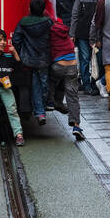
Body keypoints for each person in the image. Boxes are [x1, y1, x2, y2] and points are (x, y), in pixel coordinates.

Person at [12, 0, 53, 125]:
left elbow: (16, 40)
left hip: (28, 59)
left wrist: (21, 53)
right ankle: (44, 106)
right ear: (43, 9)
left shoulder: (23, 22)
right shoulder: (48, 22)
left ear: (29, 9)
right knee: (43, 82)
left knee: (35, 84)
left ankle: (40, 112)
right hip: (44, 58)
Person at [48, 12, 84, 140]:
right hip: (72, 66)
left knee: (51, 81)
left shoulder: (50, 31)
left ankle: (51, 102)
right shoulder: (64, 33)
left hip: (58, 65)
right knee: (73, 96)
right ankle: (76, 126)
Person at [70, 0, 104, 96]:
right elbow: (75, 16)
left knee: (98, 60)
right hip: (83, 33)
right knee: (84, 59)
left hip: (98, 34)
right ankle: (86, 84)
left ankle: (96, 83)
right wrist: (72, 34)